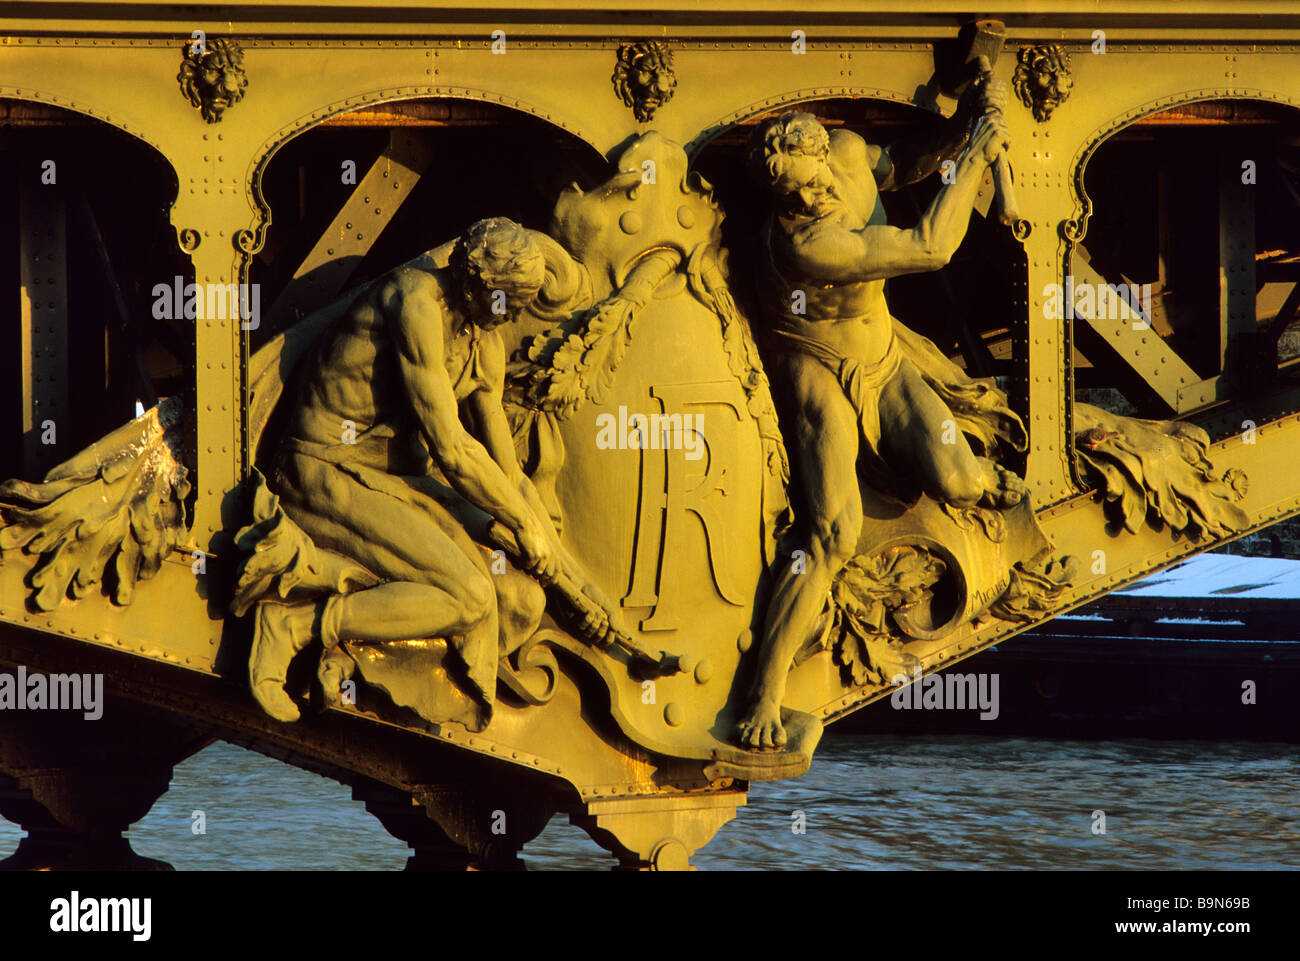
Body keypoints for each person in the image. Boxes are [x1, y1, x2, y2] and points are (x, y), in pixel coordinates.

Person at [736, 81, 1028, 749]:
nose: (811, 201)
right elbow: (930, 246)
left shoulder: (847, 152)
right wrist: (979, 153)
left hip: (885, 354)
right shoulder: (803, 243)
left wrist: (956, 135)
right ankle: (764, 692)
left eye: (812, 184)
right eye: (793, 199)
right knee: (832, 533)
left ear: (823, 153)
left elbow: (896, 165)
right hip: (815, 366)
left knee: (960, 480)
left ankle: (988, 481)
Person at [249, 217, 617, 722]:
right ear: (475, 282)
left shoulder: (482, 341)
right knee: (469, 596)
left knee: (521, 596)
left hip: (395, 482)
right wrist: (525, 526)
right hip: (321, 471)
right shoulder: (416, 301)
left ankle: (364, 643)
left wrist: (570, 575)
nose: (509, 316)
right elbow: (452, 448)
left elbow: (508, 476)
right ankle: (294, 629)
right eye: (504, 300)